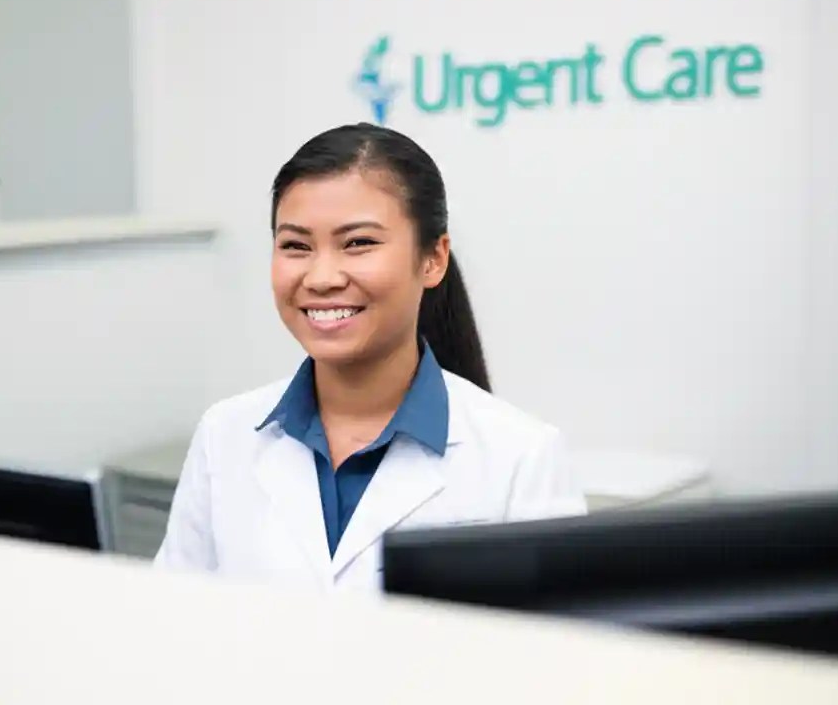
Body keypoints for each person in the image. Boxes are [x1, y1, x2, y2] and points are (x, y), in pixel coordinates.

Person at [154, 123, 586, 593]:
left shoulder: (521, 457)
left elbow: (553, 656)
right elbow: (173, 625)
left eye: (358, 243)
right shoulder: (225, 435)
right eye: (296, 246)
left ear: (433, 259)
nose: (320, 277)